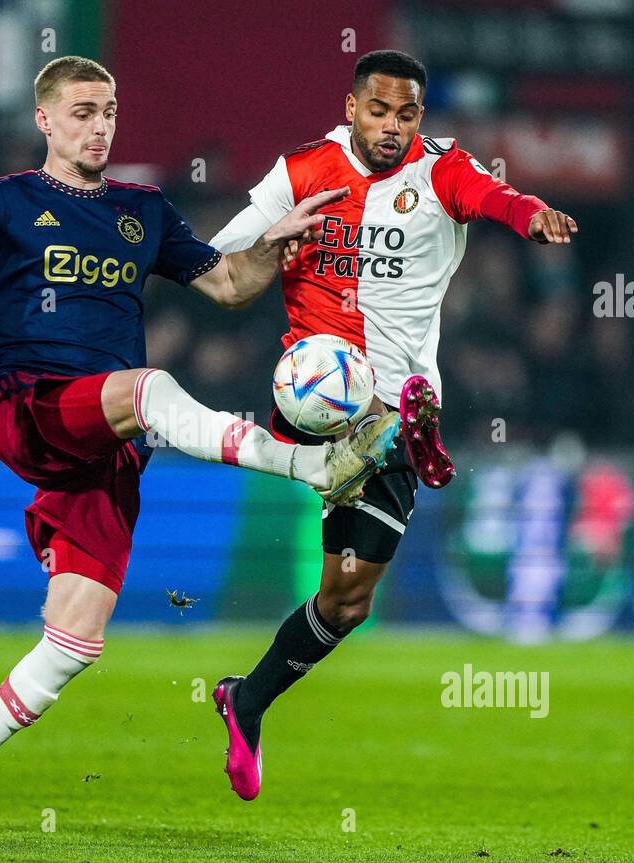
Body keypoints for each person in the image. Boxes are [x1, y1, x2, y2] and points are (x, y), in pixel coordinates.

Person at [0, 55, 399, 850]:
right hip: (33, 406)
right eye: (81, 111)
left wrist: (271, 245)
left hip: (107, 452)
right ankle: (313, 467)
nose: (99, 124)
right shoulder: (6, 201)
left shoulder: (144, 211)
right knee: (146, 390)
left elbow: (228, 285)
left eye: (108, 109)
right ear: (45, 120)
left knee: (75, 639)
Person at [207, 50, 579, 799]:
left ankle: (245, 700)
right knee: (333, 394)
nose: (392, 126)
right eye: (379, 111)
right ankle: (376, 429)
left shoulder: (441, 172)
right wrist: (272, 237)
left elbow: (496, 196)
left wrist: (531, 214)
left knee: (348, 601)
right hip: (315, 380)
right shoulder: (303, 169)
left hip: (405, 395)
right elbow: (213, 255)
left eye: (406, 114)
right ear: (352, 108)